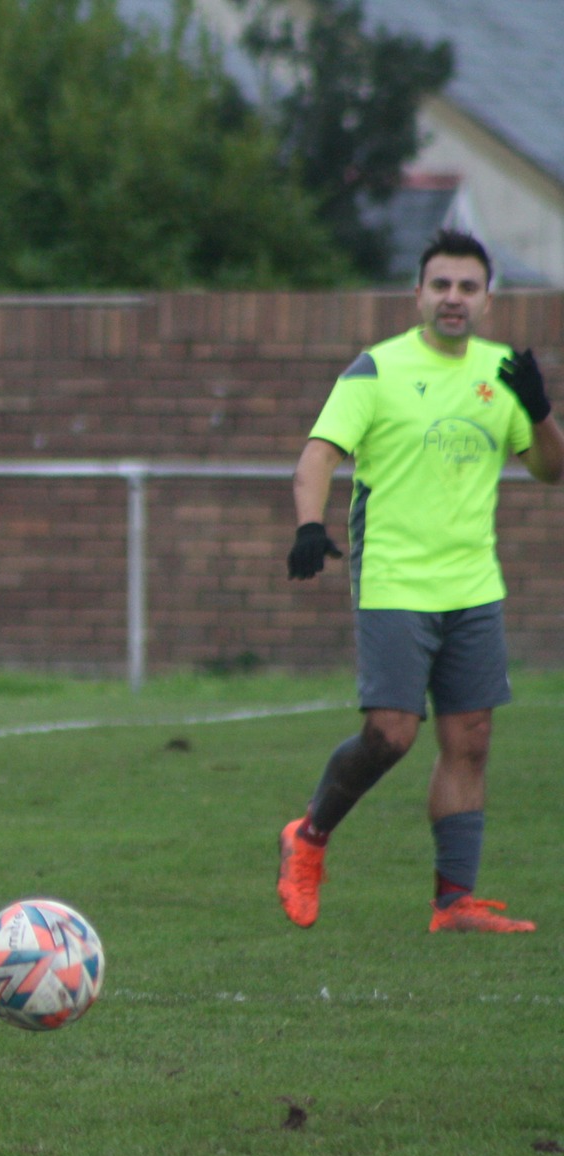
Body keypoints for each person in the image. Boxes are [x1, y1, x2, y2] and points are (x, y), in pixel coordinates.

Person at [277, 227, 562, 934]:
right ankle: (308, 836)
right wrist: (310, 523)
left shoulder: (503, 373)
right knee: (391, 735)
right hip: (395, 582)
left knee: (470, 743)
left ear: (488, 299)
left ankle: (455, 901)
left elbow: (552, 469)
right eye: (441, 285)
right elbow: (317, 456)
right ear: (418, 294)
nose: (454, 298)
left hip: (473, 586)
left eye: (468, 287)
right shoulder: (377, 369)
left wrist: (542, 410)